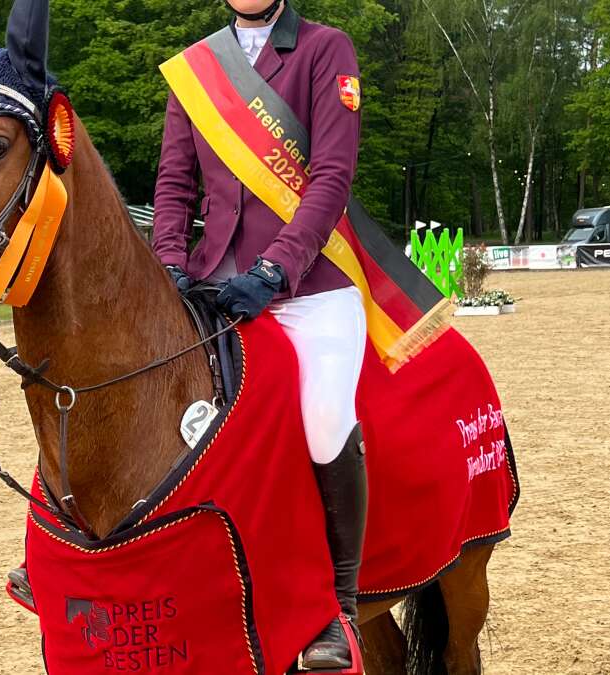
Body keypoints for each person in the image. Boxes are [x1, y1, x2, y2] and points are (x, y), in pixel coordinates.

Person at [153, 0, 368, 669]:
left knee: (325, 417)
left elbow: (331, 174)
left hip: (311, 282)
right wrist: (168, 261)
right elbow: (174, 181)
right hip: (213, 281)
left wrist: (277, 265)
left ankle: (339, 606)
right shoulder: (197, 67)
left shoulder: (327, 49)